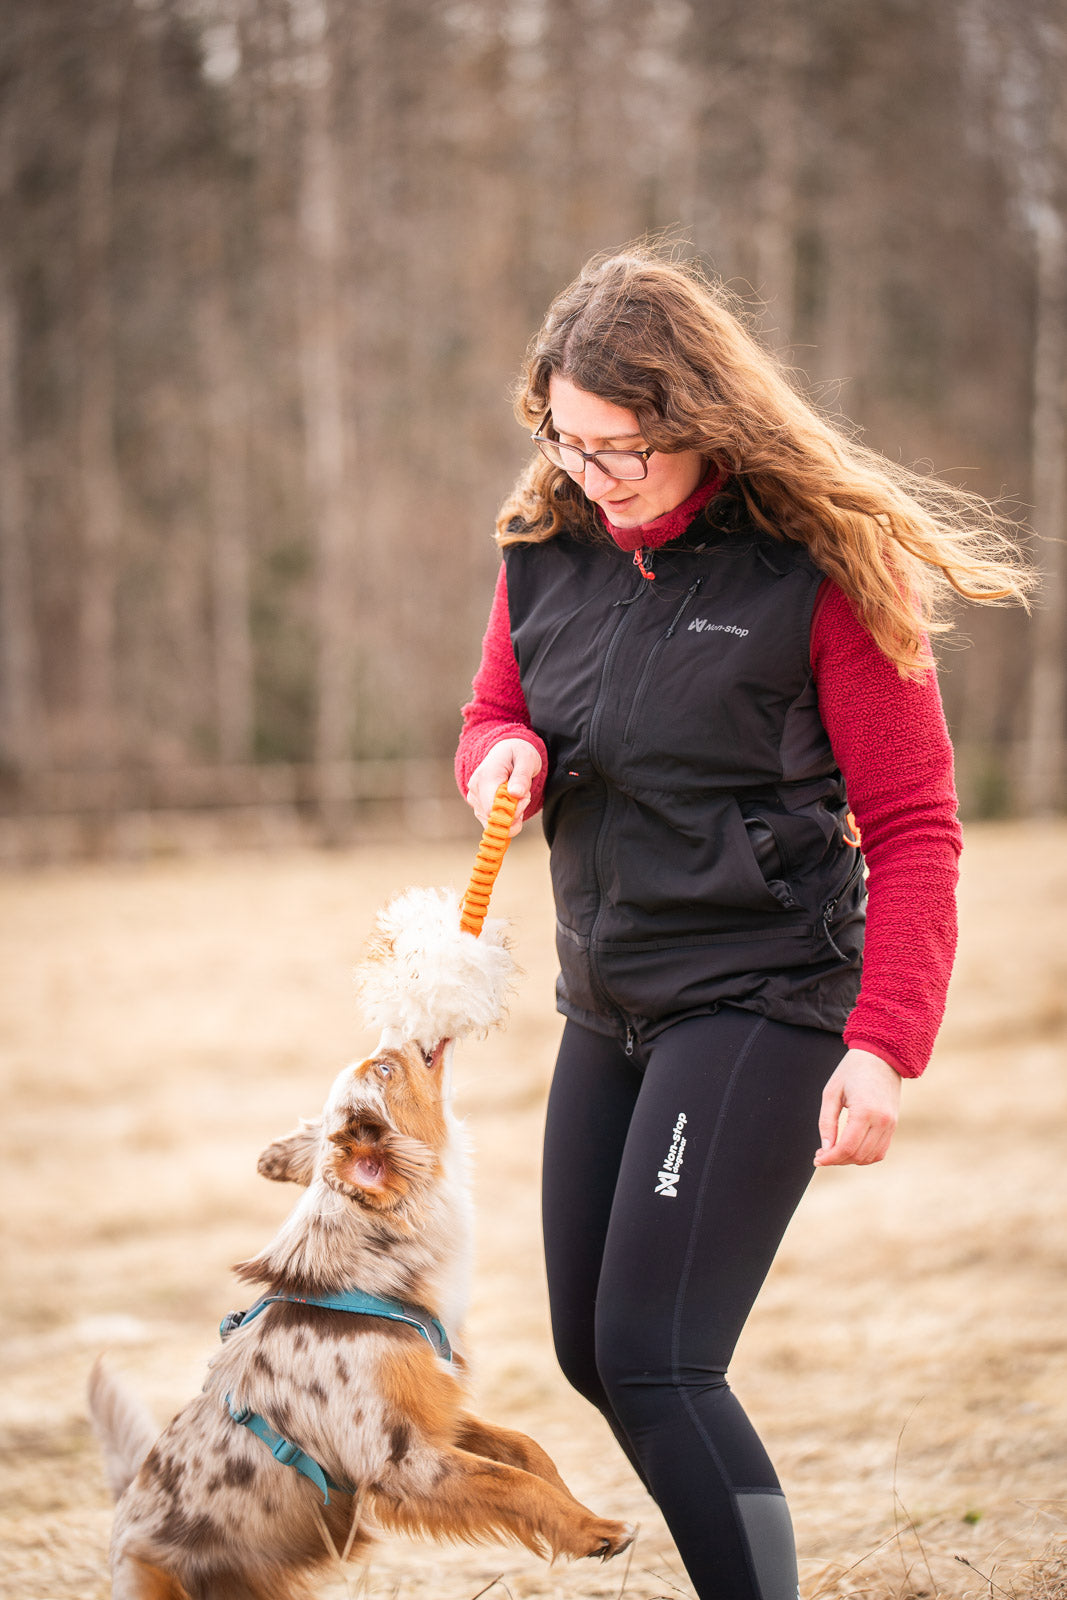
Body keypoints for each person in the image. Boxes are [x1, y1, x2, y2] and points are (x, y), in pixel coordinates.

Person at [455, 246, 1029, 1600]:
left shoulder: (821, 572)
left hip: (762, 995)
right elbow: (496, 711)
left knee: (658, 1357)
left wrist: (885, 1045)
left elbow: (917, 827)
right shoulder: (545, 547)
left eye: (623, 447)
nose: (594, 474)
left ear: (698, 416)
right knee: (595, 1355)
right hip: (609, 999)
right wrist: (497, 760)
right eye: (568, 440)